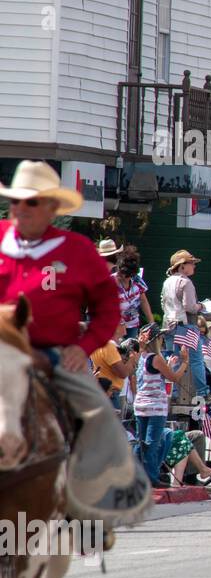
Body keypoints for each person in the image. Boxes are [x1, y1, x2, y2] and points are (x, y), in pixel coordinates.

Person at [0, 160, 153, 526]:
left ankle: (98, 496)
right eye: (16, 201)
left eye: (32, 202)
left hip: (52, 353)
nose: (21, 209)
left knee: (97, 412)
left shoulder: (76, 250)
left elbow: (108, 308)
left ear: (52, 207)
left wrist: (82, 347)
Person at [133, 325, 188, 486]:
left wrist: (168, 366)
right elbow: (174, 377)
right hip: (155, 406)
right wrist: (185, 362)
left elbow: (154, 376)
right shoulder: (155, 358)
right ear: (156, 339)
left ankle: (136, 475)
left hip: (141, 404)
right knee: (151, 442)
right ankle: (151, 477)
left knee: (141, 442)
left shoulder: (141, 356)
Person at [161, 248, 209, 399]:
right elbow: (190, 307)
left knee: (173, 358)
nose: (194, 266)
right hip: (185, 325)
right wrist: (202, 306)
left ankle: (173, 393)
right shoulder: (186, 282)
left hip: (169, 325)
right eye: (191, 263)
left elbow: (163, 303)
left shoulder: (167, 281)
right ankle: (203, 392)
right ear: (182, 266)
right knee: (196, 360)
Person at [111, 244, 154, 339]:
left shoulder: (137, 280)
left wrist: (151, 322)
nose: (127, 279)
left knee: (132, 351)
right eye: (124, 275)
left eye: (130, 275)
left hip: (133, 324)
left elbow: (143, 300)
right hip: (116, 326)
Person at [91, 320, 133, 412]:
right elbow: (123, 373)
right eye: (122, 323)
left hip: (104, 391)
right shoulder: (109, 346)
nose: (125, 325)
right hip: (110, 394)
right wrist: (132, 358)